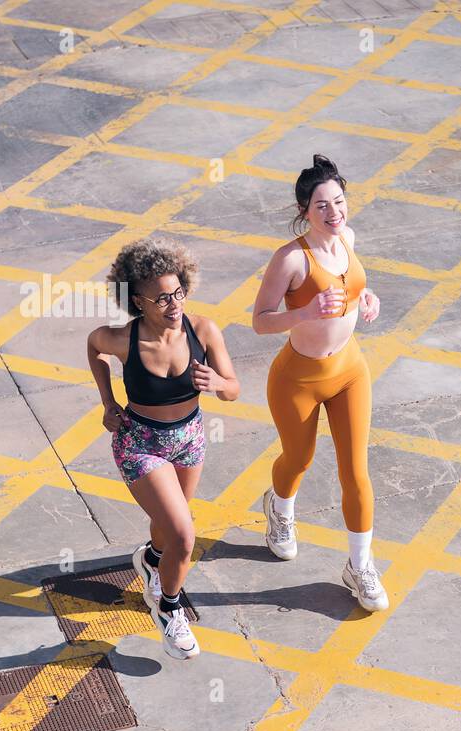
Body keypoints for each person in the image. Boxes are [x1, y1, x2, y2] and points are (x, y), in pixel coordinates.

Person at [86, 239, 240, 658]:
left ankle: (152, 559)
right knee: (184, 536)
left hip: (189, 439)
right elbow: (94, 347)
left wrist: (219, 384)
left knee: (167, 532)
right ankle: (168, 609)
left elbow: (233, 390)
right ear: (138, 301)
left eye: (179, 293)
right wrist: (107, 402)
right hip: (141, 444)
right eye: (161, 298)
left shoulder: (203, 330)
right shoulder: (123, 339)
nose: (174, 304)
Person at [251, 154, 387, 612]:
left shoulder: (347, 239)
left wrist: (367, 297)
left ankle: (360, 566)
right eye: (322, 206)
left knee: (356, 473)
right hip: (298, 379)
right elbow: (260, 322)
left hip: (349, 371)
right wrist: (305, 312)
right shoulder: (290, 259)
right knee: (299, 459)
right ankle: (280, 509)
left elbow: (352, 288)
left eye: (339, 201)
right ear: (304, 211)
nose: (334, 213)